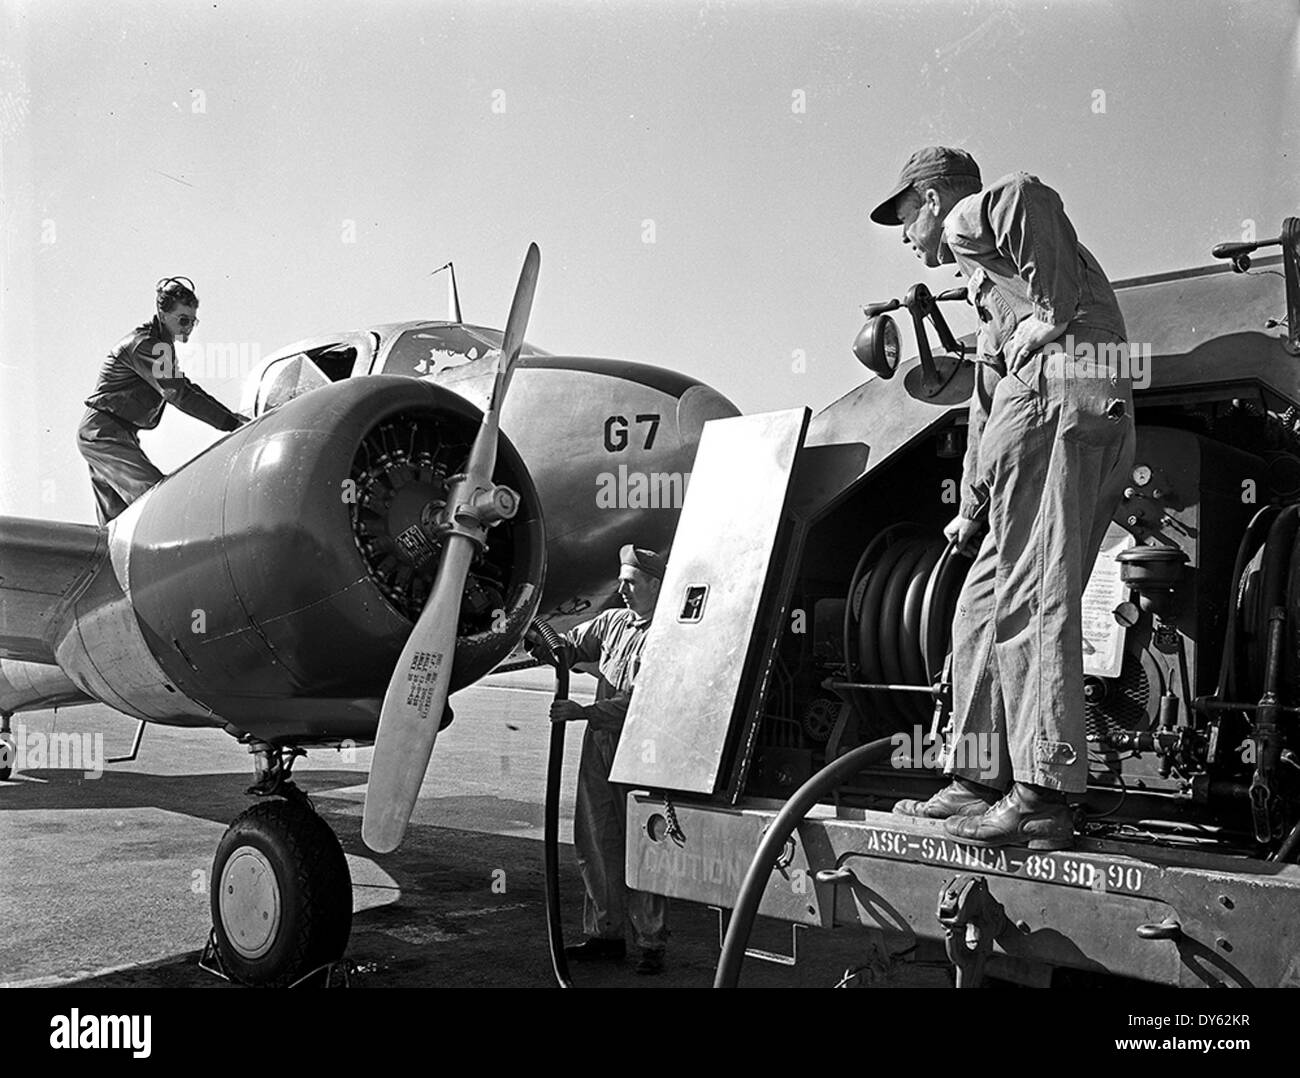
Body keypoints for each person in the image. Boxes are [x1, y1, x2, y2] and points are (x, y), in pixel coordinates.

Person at [870, 147, 1135, 850]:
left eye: (903, 216)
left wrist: (1049, 314)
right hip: (1034, 419)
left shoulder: (967, 216)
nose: (905, 237)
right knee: (980, 605)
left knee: (1032, 599)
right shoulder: (991, 286)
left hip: (1061, 402)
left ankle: (1042, 794)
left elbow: (1024, 192)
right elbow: (988, 410)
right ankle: (977, 776)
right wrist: (970, 507)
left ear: (929, 199)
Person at [545, 544, 669, 974]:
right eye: (622, 581)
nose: (622, 589)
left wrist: (585, 713)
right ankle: (605, 934)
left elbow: (641, 701)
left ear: (655, 585)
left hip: (641, 753)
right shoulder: (614, 622)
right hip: (601, 750)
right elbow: (570, 646)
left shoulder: (666, 633)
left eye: (631, 583)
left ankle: (651, 943)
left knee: (643, 848)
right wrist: (538, 636)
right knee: (596, 839)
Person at [78, 277, 247, 524]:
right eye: (183, 319)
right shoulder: (146, 345)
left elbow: (184, 387)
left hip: (113, 434)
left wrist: (231, 419)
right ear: (163, 313)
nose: (188, 327)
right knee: (157, 501)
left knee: (118, 526)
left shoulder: (160, 346)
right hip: (104, 434)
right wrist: (232, 423)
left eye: (192, 321)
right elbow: (179, 393)